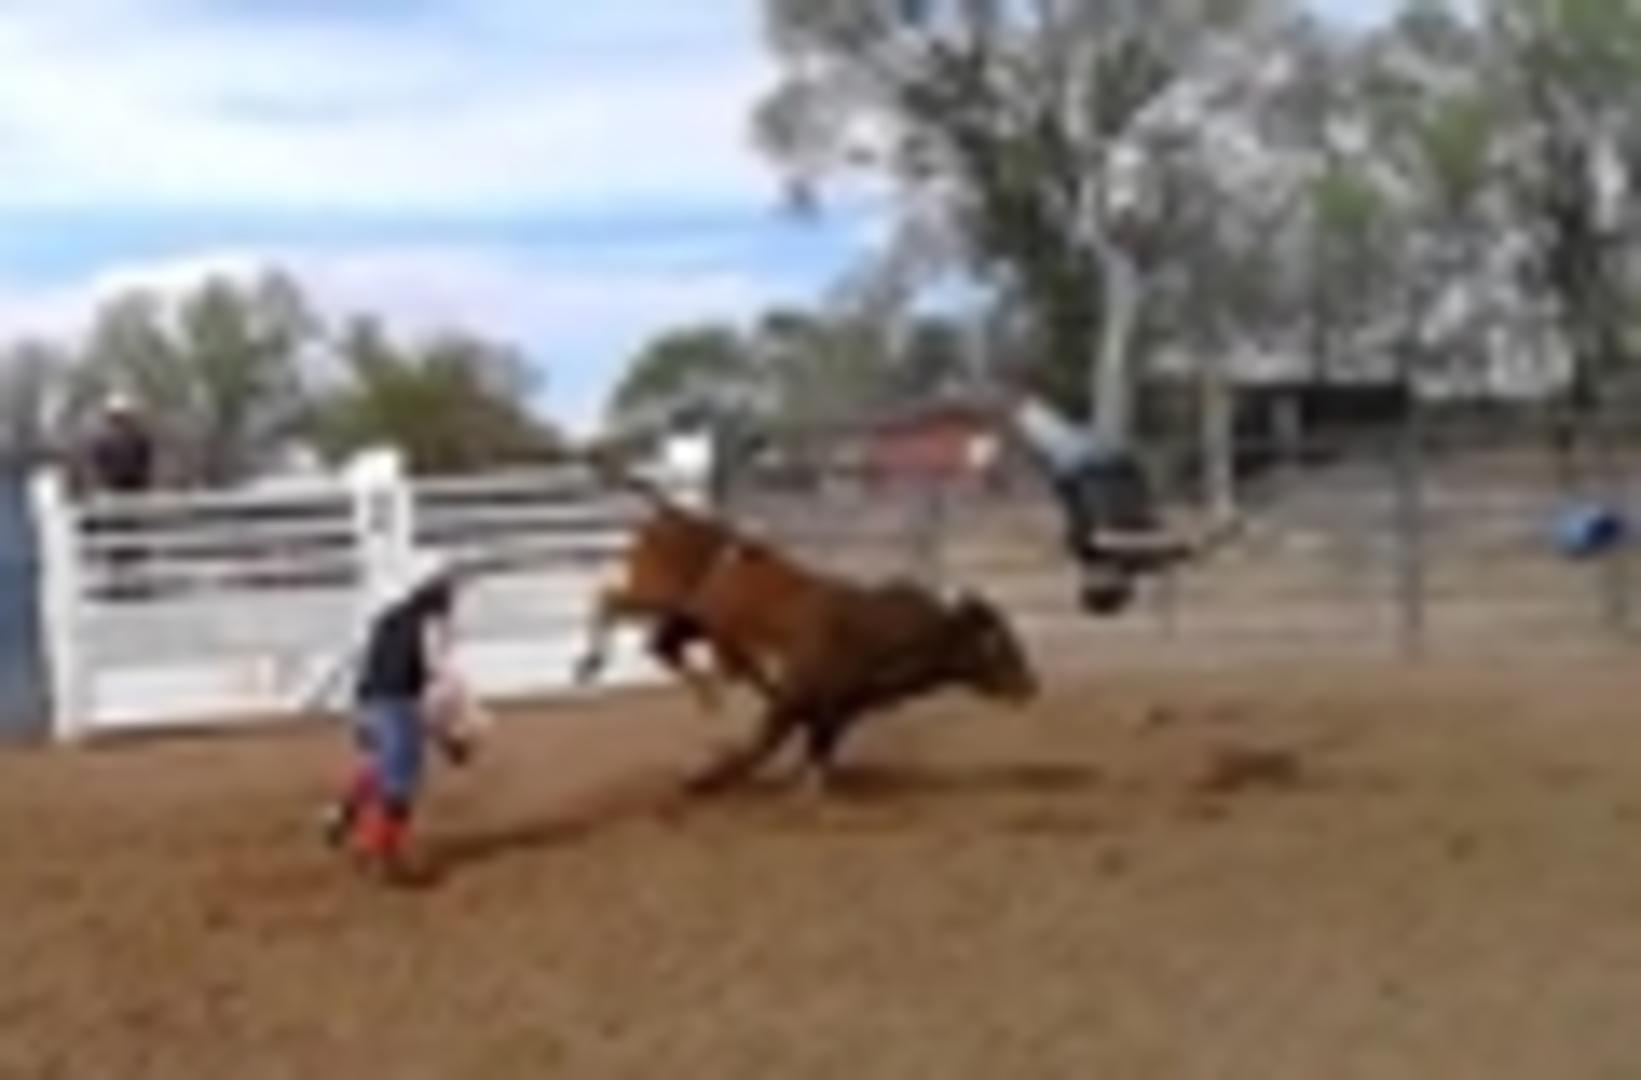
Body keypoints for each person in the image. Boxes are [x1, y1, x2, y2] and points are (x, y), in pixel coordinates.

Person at [323, 551, 485, 883]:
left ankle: (344, 813)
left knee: (379, 766)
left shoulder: (388, 618)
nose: (451, 595)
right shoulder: (431, 626)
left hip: (368, 700)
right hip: (397, 703)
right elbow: (438, 679)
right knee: (400, 785)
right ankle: (377, 849)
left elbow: (370, 663)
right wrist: (452, 733)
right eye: (446, 588)